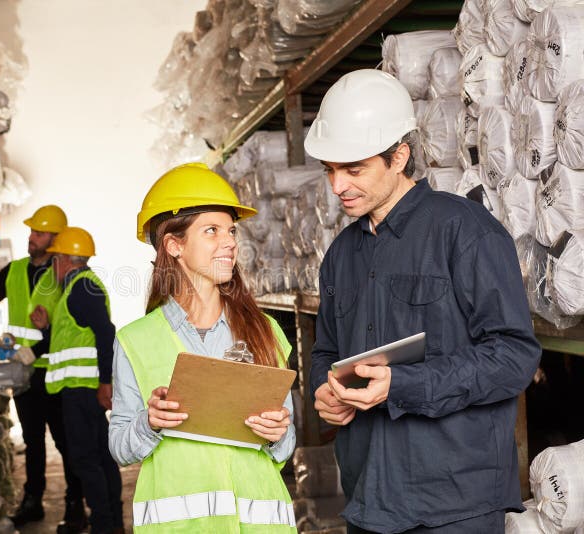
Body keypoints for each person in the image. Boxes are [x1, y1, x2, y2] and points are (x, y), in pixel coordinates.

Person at [305, 69, 542, 534]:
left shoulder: (465, 233)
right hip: (369, 497)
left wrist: (402, 385)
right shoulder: (339, 256)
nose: (338, 186)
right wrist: (324, 390)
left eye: (354, 169)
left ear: (399, 156)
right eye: (331, 170)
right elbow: (326, 353)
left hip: (452, 504)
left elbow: (515, 356)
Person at [108, 163, 297, 533]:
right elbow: (119, 447)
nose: (229, 242)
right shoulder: (136, 341)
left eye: (231, 231)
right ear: (174, 245)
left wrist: (277, 433)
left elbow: (286, 444)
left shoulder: (266, 331)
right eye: (212, 231)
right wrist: (150, 423)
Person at [0, 205, 86, 531]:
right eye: (31, 231)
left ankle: (75, 507)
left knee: (66, 442)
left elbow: (70, 325)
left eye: (39, 233)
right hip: (25, 375)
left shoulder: (66, 274)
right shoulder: (14, 271)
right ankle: (32, 502)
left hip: (58, 373)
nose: (31, 238)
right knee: (32, 440)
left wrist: (35, 351)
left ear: (56, 239)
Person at [41, 226, 124, 534]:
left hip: (83, 391)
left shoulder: (81, 289)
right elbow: (78, 337)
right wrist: (48, 328)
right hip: (83, 389)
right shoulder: (81, 287)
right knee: (100, 457)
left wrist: (106, 382)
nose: (53, 267)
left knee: (87, 461)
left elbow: (106, 332)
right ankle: (112, 525)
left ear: (63, 259)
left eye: (55, 260)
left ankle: (104, 525)